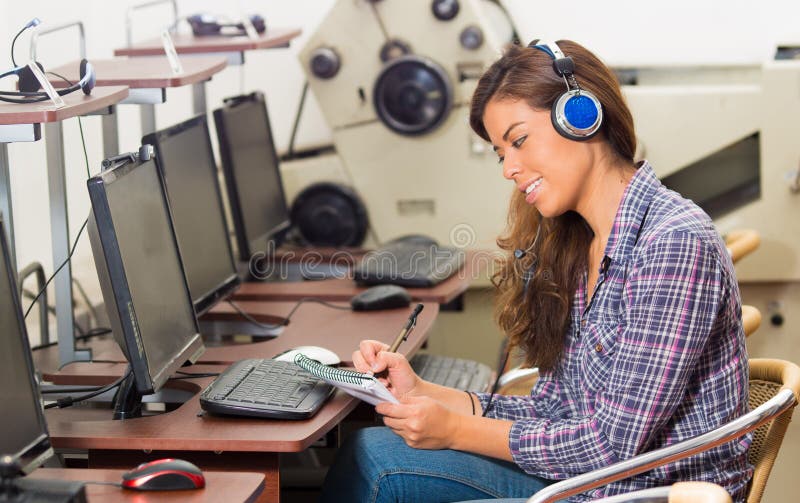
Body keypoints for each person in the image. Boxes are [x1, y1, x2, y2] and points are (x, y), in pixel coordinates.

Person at [319, 39, 751, 502]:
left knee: (378, 467)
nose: (509, 168)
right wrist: (426, 393)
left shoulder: (673, 242)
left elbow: (609, 445)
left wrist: (455, 430)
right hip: (588, 480)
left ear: (582, 116)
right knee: (368, 451)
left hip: (642, 492)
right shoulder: (582, 242)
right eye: (501, 153)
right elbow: (555, 408)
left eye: (519, 140)